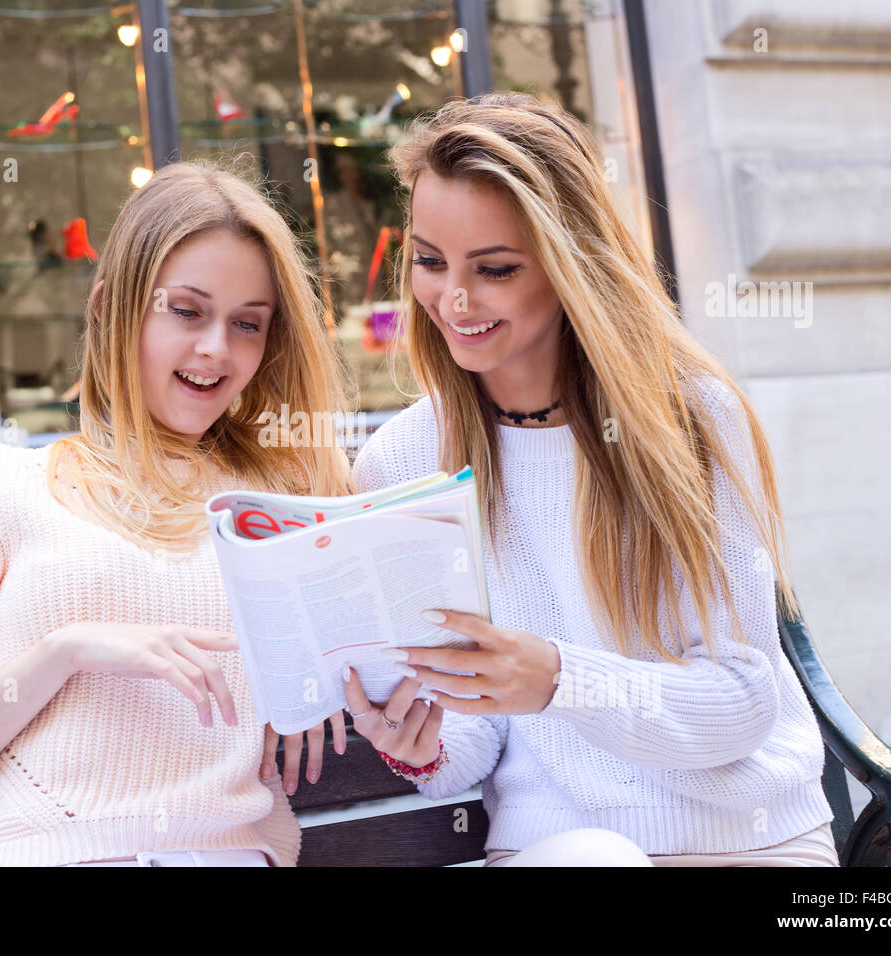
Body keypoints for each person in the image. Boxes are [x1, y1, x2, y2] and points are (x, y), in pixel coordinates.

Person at [345, 92, 838, 867]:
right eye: (430, 262)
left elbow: (743, 703)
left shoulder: (692, 422)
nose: (455, 300)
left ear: (572, 262)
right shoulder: (404, 461)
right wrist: (424, 744)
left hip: (748, 839)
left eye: (496, 268)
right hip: (564, 849)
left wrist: (559, 678)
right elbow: (474, 740)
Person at [0, 161, 352, 867]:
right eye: (186, 310)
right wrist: (66, 652)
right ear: (109, 309)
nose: (216, 347)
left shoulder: (283, 497)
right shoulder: (2, 483)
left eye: (247, 324)